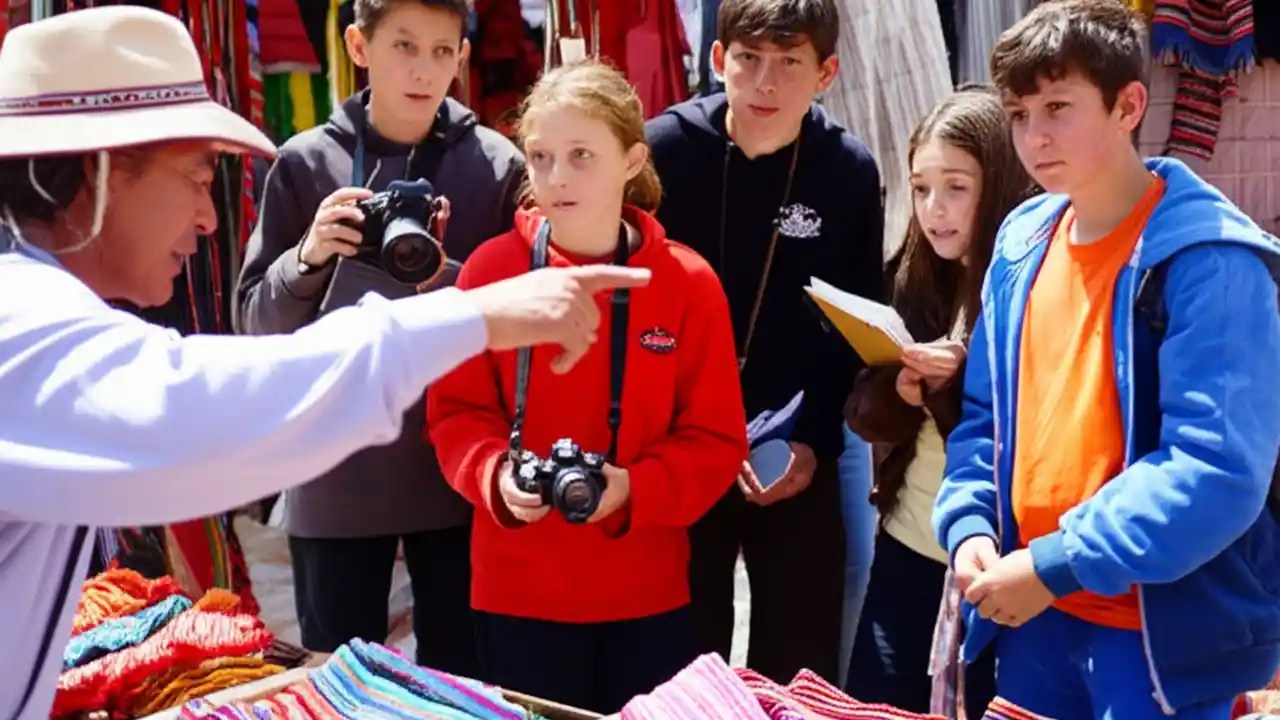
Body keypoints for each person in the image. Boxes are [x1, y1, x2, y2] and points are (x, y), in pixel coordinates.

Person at [0, 8, 649, 720]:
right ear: (102, 172)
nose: (210, 217)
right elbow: (211, 411)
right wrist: (475, 314)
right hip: (338, 504)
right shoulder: (23, 323)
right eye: (196, 177)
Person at [932, 2, 1280, 718]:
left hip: (1161, 643)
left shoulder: (1211, 257)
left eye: (1059, 106)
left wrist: (1058, 563)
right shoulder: (1021, 238)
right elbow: (984, 420)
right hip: (1032, 623)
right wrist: (969, 526)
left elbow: (1214, 468)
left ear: (1129, 105)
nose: (1035, 135)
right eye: (1020, 113)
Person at [427, 60, 749, 714]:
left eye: (581, 156)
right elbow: (455, 416)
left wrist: (635, 489)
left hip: (648, 594)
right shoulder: (491, 270)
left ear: (633, 159)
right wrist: (495, 475)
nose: (556, 178)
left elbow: (717, 439)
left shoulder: (688, 282)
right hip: (516, 593)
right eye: (540, 157)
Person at [234, 0, 522, 675]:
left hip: (459, 468)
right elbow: (254, 325)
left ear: (464, 57)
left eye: (442, 51)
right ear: (358, 45)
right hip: (337, 470)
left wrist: (444, 275)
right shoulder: (307, 162)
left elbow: (520, 314)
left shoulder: (496, 164)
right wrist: (307, 257)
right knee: (341, 682)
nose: (424, 70)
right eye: (403, 46)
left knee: (463, 685)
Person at [644, 0, 885, 683]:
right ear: (718, 61)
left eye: (789, 63)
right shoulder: (662, 152)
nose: (766, 84)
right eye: (748, 60)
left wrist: (813, 441)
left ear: (827, 72)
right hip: (677, 445)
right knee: (683, 666)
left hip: (794, 452)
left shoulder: (847, 172)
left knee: (800, 666)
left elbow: (856, 330)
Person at [842, 85, 1030, 717]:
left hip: (991, 566)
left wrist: (961, 377)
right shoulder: (915, 272)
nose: (934, 209)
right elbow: (867, 412)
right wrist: (899, 388)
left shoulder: (1032, 283)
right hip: (906, 544)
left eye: (955, 186)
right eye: (920, 188)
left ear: (998, 181)